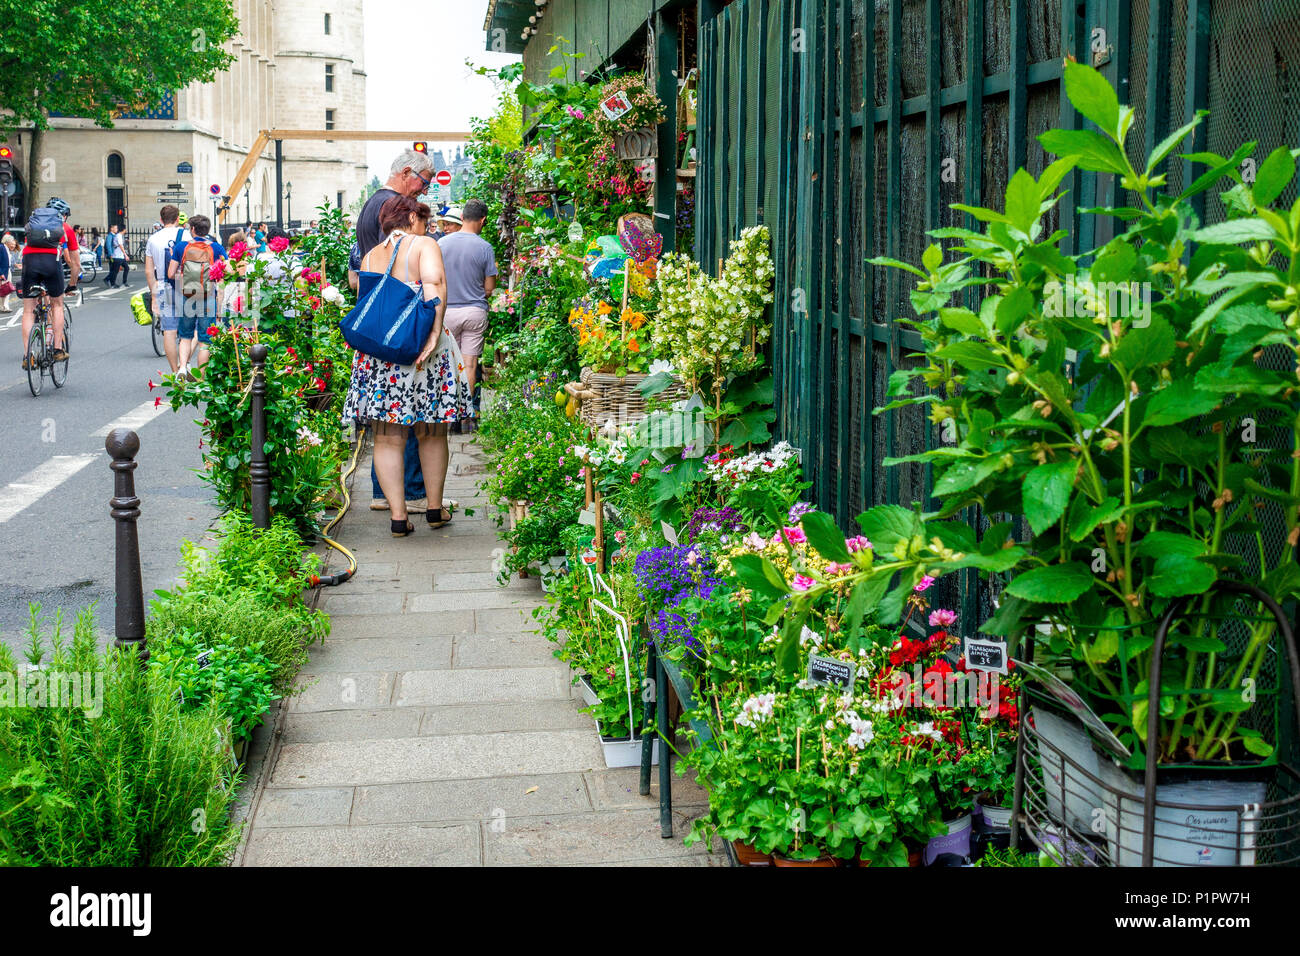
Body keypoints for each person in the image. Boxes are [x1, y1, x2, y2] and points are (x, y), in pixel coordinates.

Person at [341, 195, 471, 535]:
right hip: (420, 352)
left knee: (386, 438)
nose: (426, 226)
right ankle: (432, 508)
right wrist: (432, 334)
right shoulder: (423, 245)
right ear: (411, 216)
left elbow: (368, 305)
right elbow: (435, 285)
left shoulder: (370, 256)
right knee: (430, 432)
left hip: (381, 357)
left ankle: (398, 517)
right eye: (424, 220)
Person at [357, 147, 437, 513]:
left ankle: (389, 501)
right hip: (403, 333)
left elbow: (362, 277)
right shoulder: (398, 216)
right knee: (418, 421)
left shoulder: (369, 206)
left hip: (376, 336)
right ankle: (416, 495)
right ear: (407, 173)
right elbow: (429, 285)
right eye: (423, 183)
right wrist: (433, 335)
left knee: (385, 426)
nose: (423, 193)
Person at [437, 199, 496, 430]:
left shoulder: (442, 244)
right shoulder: (485, 247)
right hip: (474, 312)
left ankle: (447, 414)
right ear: (482, 220)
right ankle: (465, 415)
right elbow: (489, 288)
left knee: (448, 363)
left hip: (447, 311)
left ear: (461, 218)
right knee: (470, 364)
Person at [19, 197, 78, 368]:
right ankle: (58, 349)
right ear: (64, 215)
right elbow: (75, 264)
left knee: (28, 311)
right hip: (51, 262)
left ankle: (27, 356)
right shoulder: (65, 227)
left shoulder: (34, 223)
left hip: (29, 262)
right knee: (57, 305)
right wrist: (72, 283)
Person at [167, 214, 228, 374]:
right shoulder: (216, 247)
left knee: (185, 336)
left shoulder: (181, 247)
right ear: (207, 230)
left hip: (186, 296)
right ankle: (201, 377)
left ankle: (182, 368)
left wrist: (185, 274)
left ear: (192, 229)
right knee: (204, 340)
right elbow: (228, 270)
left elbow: (170, 273)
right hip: (208, 297)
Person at [144, 205, 191, 373]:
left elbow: (149, 271)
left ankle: (174, 371)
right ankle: (184, 365)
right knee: (191, 330)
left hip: (164, 286)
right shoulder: (187, 235)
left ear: (161, 219)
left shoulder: (153, 239)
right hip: (187, 285)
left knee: (169, 332)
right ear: (178, 219)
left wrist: (154, 295)